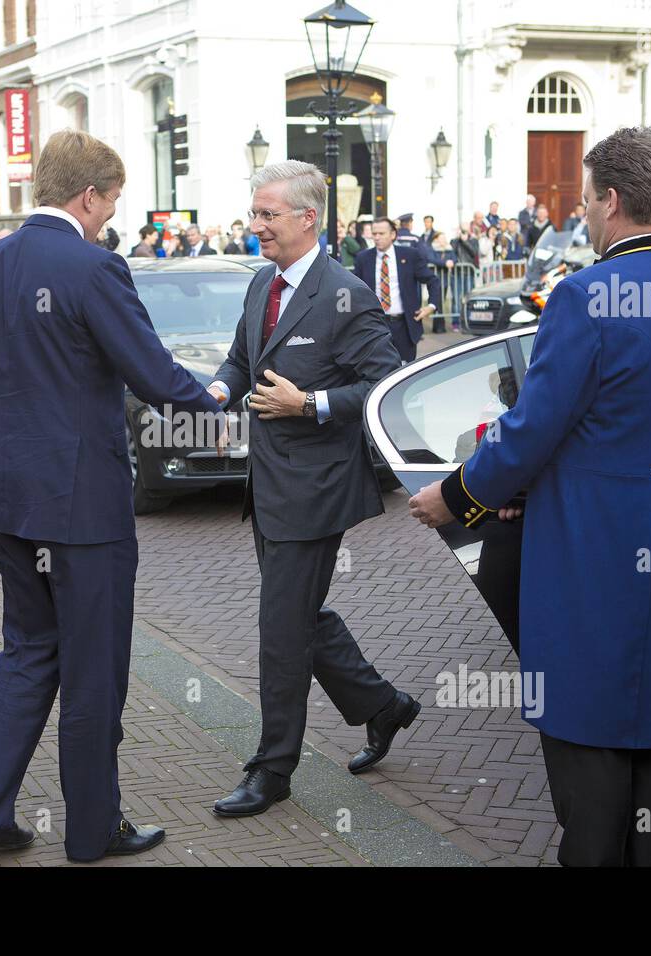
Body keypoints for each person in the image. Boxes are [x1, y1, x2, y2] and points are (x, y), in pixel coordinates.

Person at [409, 126, 651, 867]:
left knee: (586, 724)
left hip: (594, 539)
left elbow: (531, 431)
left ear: (611, 200)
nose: (584, 214)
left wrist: (457, 497)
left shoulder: (587, 294)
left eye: (587, 199)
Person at [0, 128, 220, 862]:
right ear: (89, 195)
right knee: (94, 669)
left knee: (27, 654)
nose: (110, 218)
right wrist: (221, 399)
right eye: (111, 203)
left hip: (9, 504)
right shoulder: (94, 267)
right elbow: (155, 376)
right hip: (84, 509)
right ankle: (92, 829)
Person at [206, 161, 416, 818]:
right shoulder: (262, 284)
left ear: (306, 218)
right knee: (299, 615)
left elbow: (386, 385)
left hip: (315, 491)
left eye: (267, 214)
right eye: (255, 212)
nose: (256, 224)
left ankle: (271, 771)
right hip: (267, 485)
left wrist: (312, 403)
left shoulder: (347, 292)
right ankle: (384, 706)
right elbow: (244, 359)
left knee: (280, 628)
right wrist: (216, 390)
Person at [354, 217, 440, 362]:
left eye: (381, 233)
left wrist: (431, 306)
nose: (377, 237)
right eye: (374, 234)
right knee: (378, 370)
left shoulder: (409, 255)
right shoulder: (363, 258)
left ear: (393, 235)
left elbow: (432, 280)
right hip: (375, 325)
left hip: (404, 325)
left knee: (405, 371)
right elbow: (355, 289)